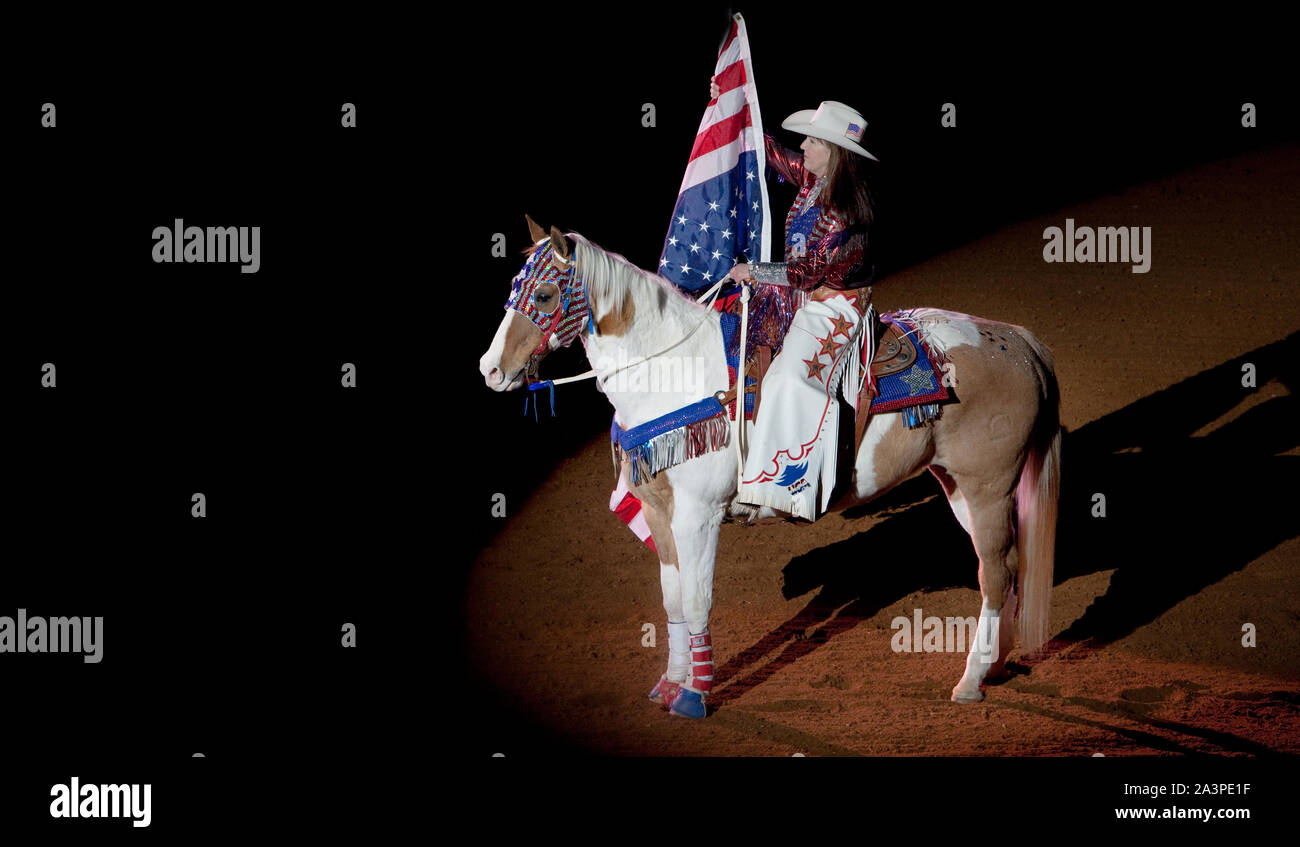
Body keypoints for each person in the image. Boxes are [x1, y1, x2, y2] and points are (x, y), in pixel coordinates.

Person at [710, 79, 879, 521]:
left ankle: (788, 485)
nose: (801, 145)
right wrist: (732, 102)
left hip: (835, 306)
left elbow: (805, 275)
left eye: (812, 140)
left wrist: (754, 271)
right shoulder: (812, 176)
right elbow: (771, 152)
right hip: (806, 298)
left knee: (787, 379)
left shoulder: (842, 212)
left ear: (833, 152)